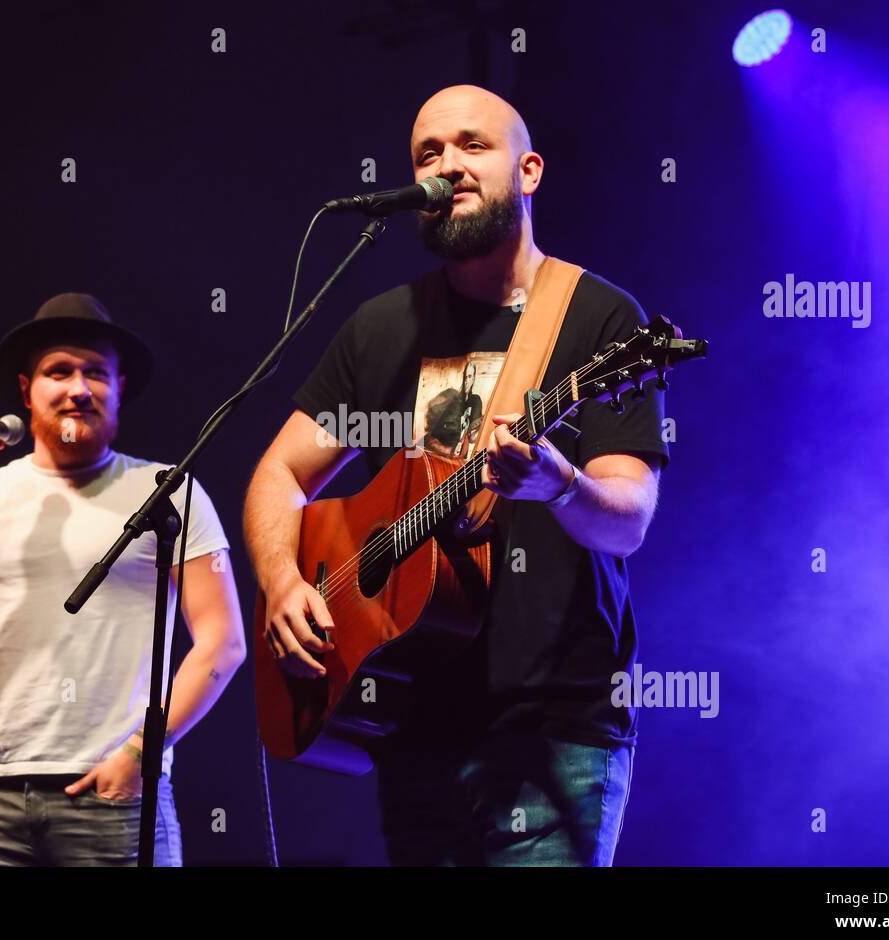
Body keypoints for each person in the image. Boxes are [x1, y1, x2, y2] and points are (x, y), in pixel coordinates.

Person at [243, 85, 669, 866]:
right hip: (412, 723)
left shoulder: (599, 321)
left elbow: (629, 519)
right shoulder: (380, 326)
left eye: (473, 145)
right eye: (428, 154)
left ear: (529, 170)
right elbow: (277, 473)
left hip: (553, 732)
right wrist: (282, 582)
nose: (448, 165)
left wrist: (560, 485)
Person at [0, 292, 246, 866]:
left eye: (96, 373)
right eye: (59, 371)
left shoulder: (168, 490)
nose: (79, 388)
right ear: (26, 390)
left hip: (116, 798)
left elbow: (223, 641)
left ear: (120, 388)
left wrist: (138, 754)